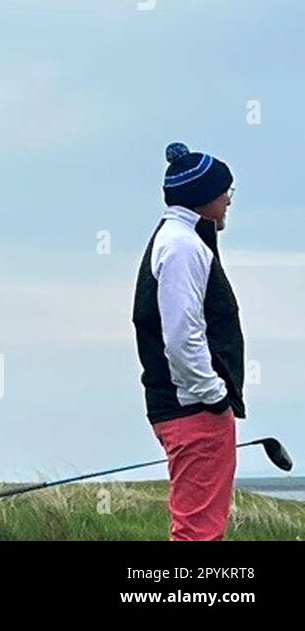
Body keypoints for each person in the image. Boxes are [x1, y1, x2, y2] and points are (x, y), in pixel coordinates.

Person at [131, 142, 244, 540]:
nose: (229, 200)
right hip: (194, 408)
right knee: (199, 532)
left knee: (201, 529)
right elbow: (181, 334)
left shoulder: (182, 238)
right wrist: (212, 395)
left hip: (187, 407)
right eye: (225, 192)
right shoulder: (182, 246)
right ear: (203, 197)